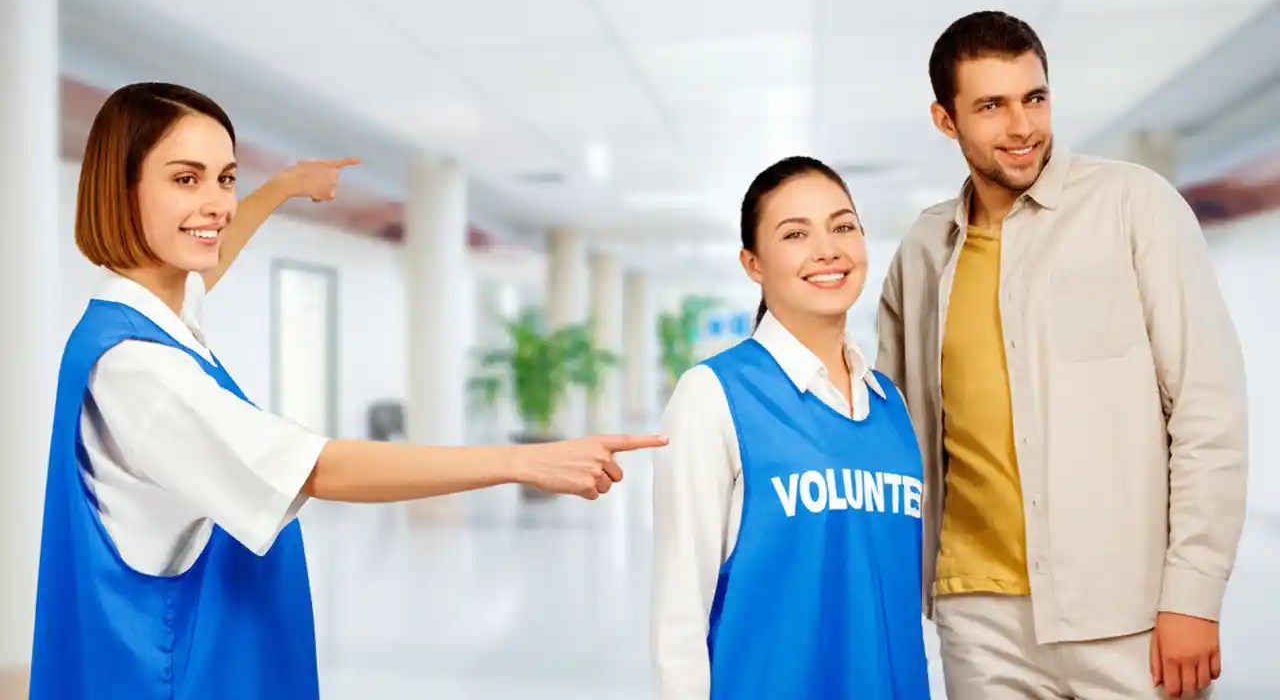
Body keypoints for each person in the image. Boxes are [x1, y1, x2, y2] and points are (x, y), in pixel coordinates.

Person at [29, 81, 666, 699]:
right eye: (185, 179)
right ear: (121, 188)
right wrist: (523, 461)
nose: (219, 203)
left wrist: (282, 186)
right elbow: (317, 469)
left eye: (226, 178)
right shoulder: (140, 369)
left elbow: (207, 267)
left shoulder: (131, 318)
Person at [875, 11, 1249, 700]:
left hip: (1127, 611)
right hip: (978, 617)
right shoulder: (924, 251)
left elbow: (1207, 407)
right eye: (992, 106)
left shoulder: (1134, 205)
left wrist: (1194, 593)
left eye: (1035, 98)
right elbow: (890, 429)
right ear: (945, 119)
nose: (1022, 126)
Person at [651, 156, 931, 699]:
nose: (827, 249)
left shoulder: (890, 404)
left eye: (842, 227)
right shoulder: (715, 395)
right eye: (795, 234)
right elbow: (679, 615)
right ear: (752, 264)